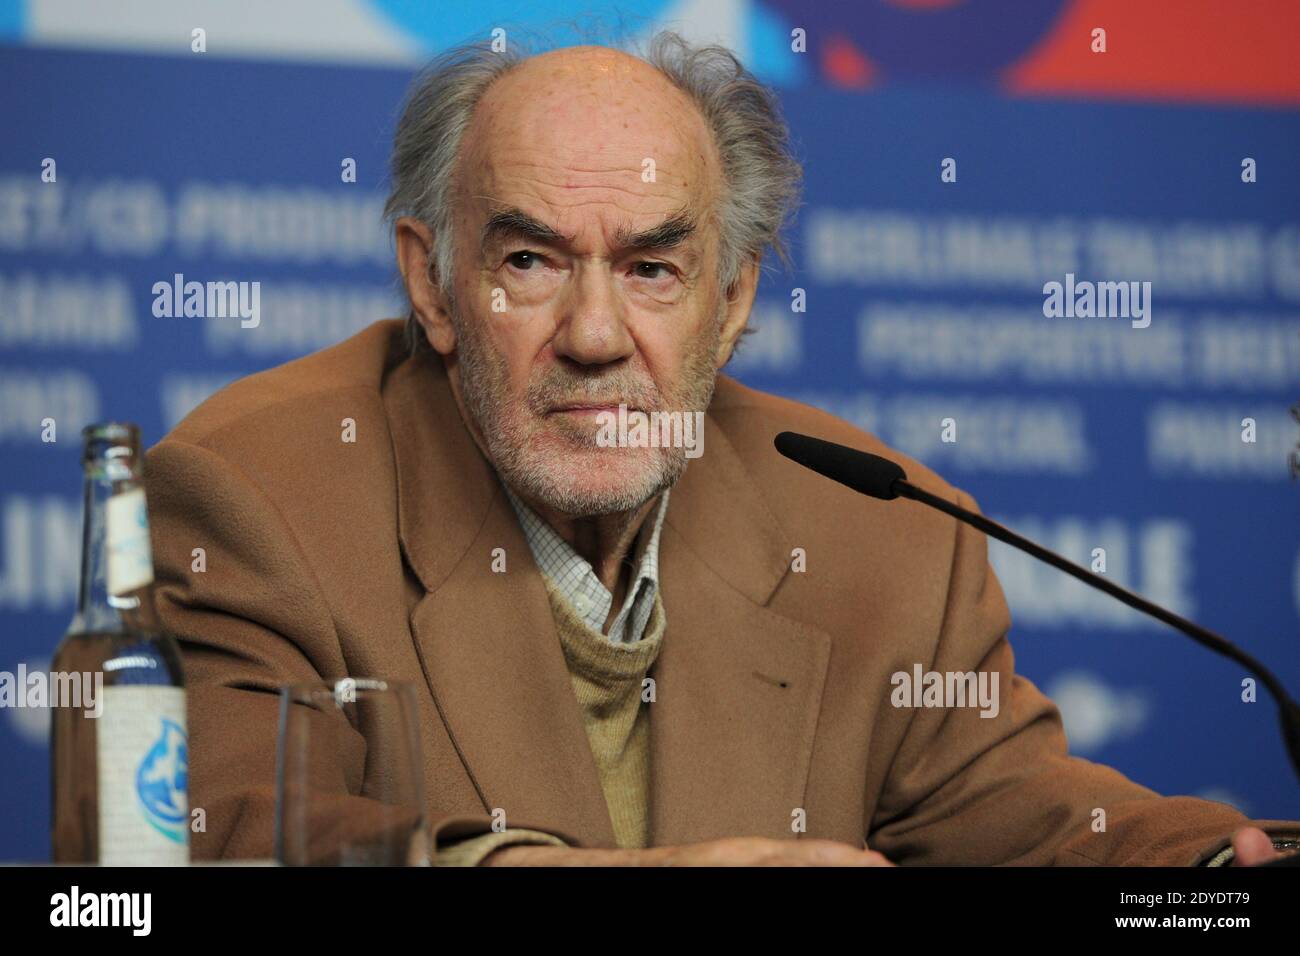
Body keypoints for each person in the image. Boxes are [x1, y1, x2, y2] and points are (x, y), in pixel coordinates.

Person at [145, 31, 1299, 866]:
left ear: (732, 297)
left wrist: (1208, 871)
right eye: (531, 262)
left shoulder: (881, 531)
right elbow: (229, 832)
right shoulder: (256, 495)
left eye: (652, 268)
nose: (595, 336)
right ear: (432, 283)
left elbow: (1019, 811)